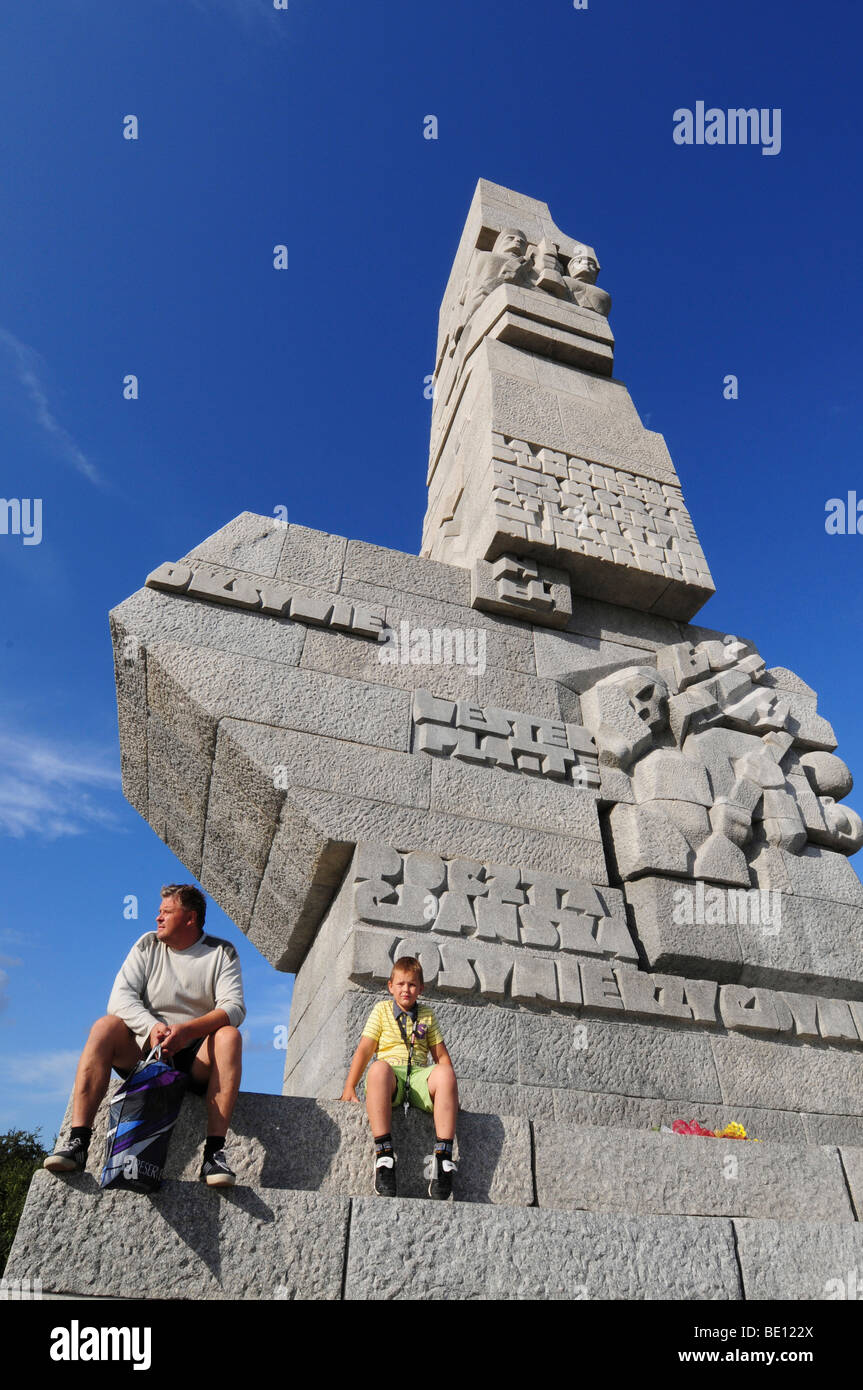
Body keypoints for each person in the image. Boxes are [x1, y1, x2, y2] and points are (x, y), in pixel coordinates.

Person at [44, 884, 245, 1188]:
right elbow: (120, 998)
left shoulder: (222, 951)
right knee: (104, 1026)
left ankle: (213, 1155)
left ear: (190, 918)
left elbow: (234, 1007)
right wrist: (151, 1027)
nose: (157, 918)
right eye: (159, 911)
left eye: (166, 912)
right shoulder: (146, 944)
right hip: (145, 1054)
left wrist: (188, 1030)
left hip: (194, 1061)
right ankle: (78, 1143)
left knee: (229, 1036)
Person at [340, 956, 458, 1200]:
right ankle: (384, 1155)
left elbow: (441, 1057)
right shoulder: (381, 1010)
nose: (407, 989)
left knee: (446, 1073)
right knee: (377, 1068)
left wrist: (451, 1095)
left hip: (418, 1076)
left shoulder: (426, 1015)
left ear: (421, 989)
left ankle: (443, 1158)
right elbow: (364, 1050)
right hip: (391, 1075)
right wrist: (350, 1086)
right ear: (390, 986)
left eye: (413, 985)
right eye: (401, 984)